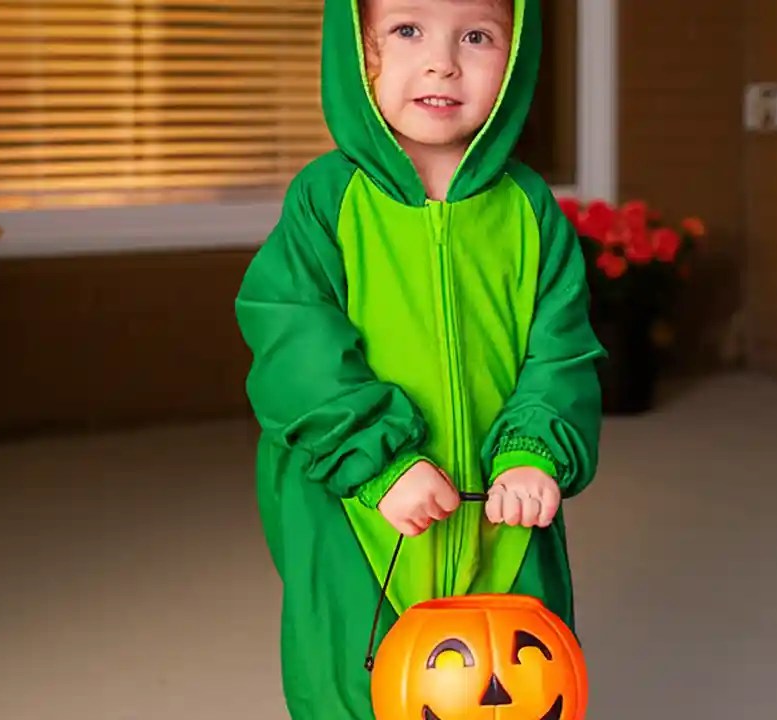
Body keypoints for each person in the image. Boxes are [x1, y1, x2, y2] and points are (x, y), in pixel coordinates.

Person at [234, 0, 605, 717]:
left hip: (502, 509)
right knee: (355, 676)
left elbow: (561, 349)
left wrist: (534, 452)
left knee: (516, 680)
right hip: (359, 504)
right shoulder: (326, 199)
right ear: (360, 50)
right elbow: (294, 342)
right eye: (408, 30)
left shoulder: (529, 208)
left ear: (516, 55)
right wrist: (377, 462)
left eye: (477, 36)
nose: (443, 63)